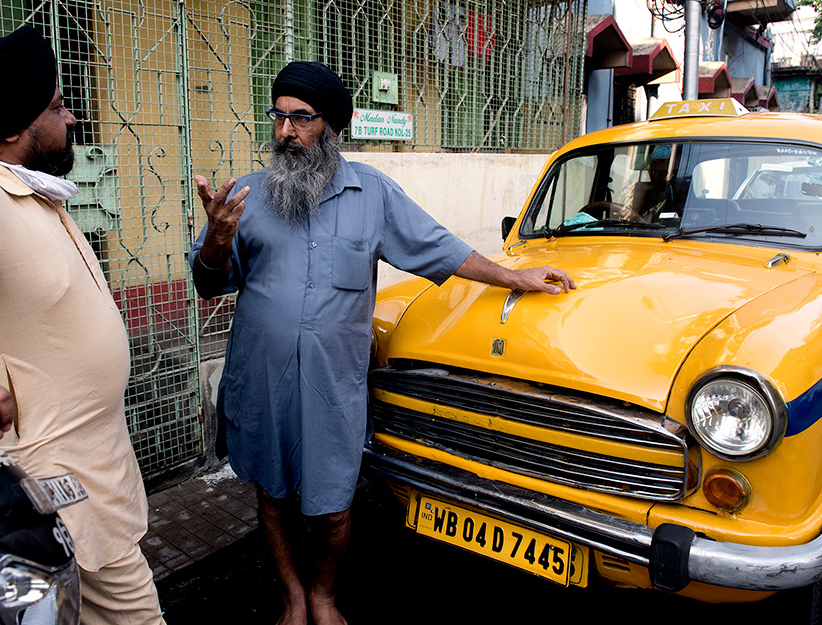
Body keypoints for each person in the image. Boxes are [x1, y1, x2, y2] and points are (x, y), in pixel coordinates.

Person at [189, 60, 575, 625]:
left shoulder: (372, 194)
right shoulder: (245, 196)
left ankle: (324, 595)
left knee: (334, 507)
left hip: (332, 389)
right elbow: (206, 282)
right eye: (278, 117)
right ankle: (293, 597)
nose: (285, 131)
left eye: (302, 118)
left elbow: (440, 248)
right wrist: (218, 237)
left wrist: (514, 277)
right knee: (271, 495)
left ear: (331, 126)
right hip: (262, 379)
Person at [0, 26, 165, 625]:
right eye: (56, 106)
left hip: (97, 472)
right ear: (11, 128)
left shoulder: (32, 192)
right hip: (54, 485)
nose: (72, 116)